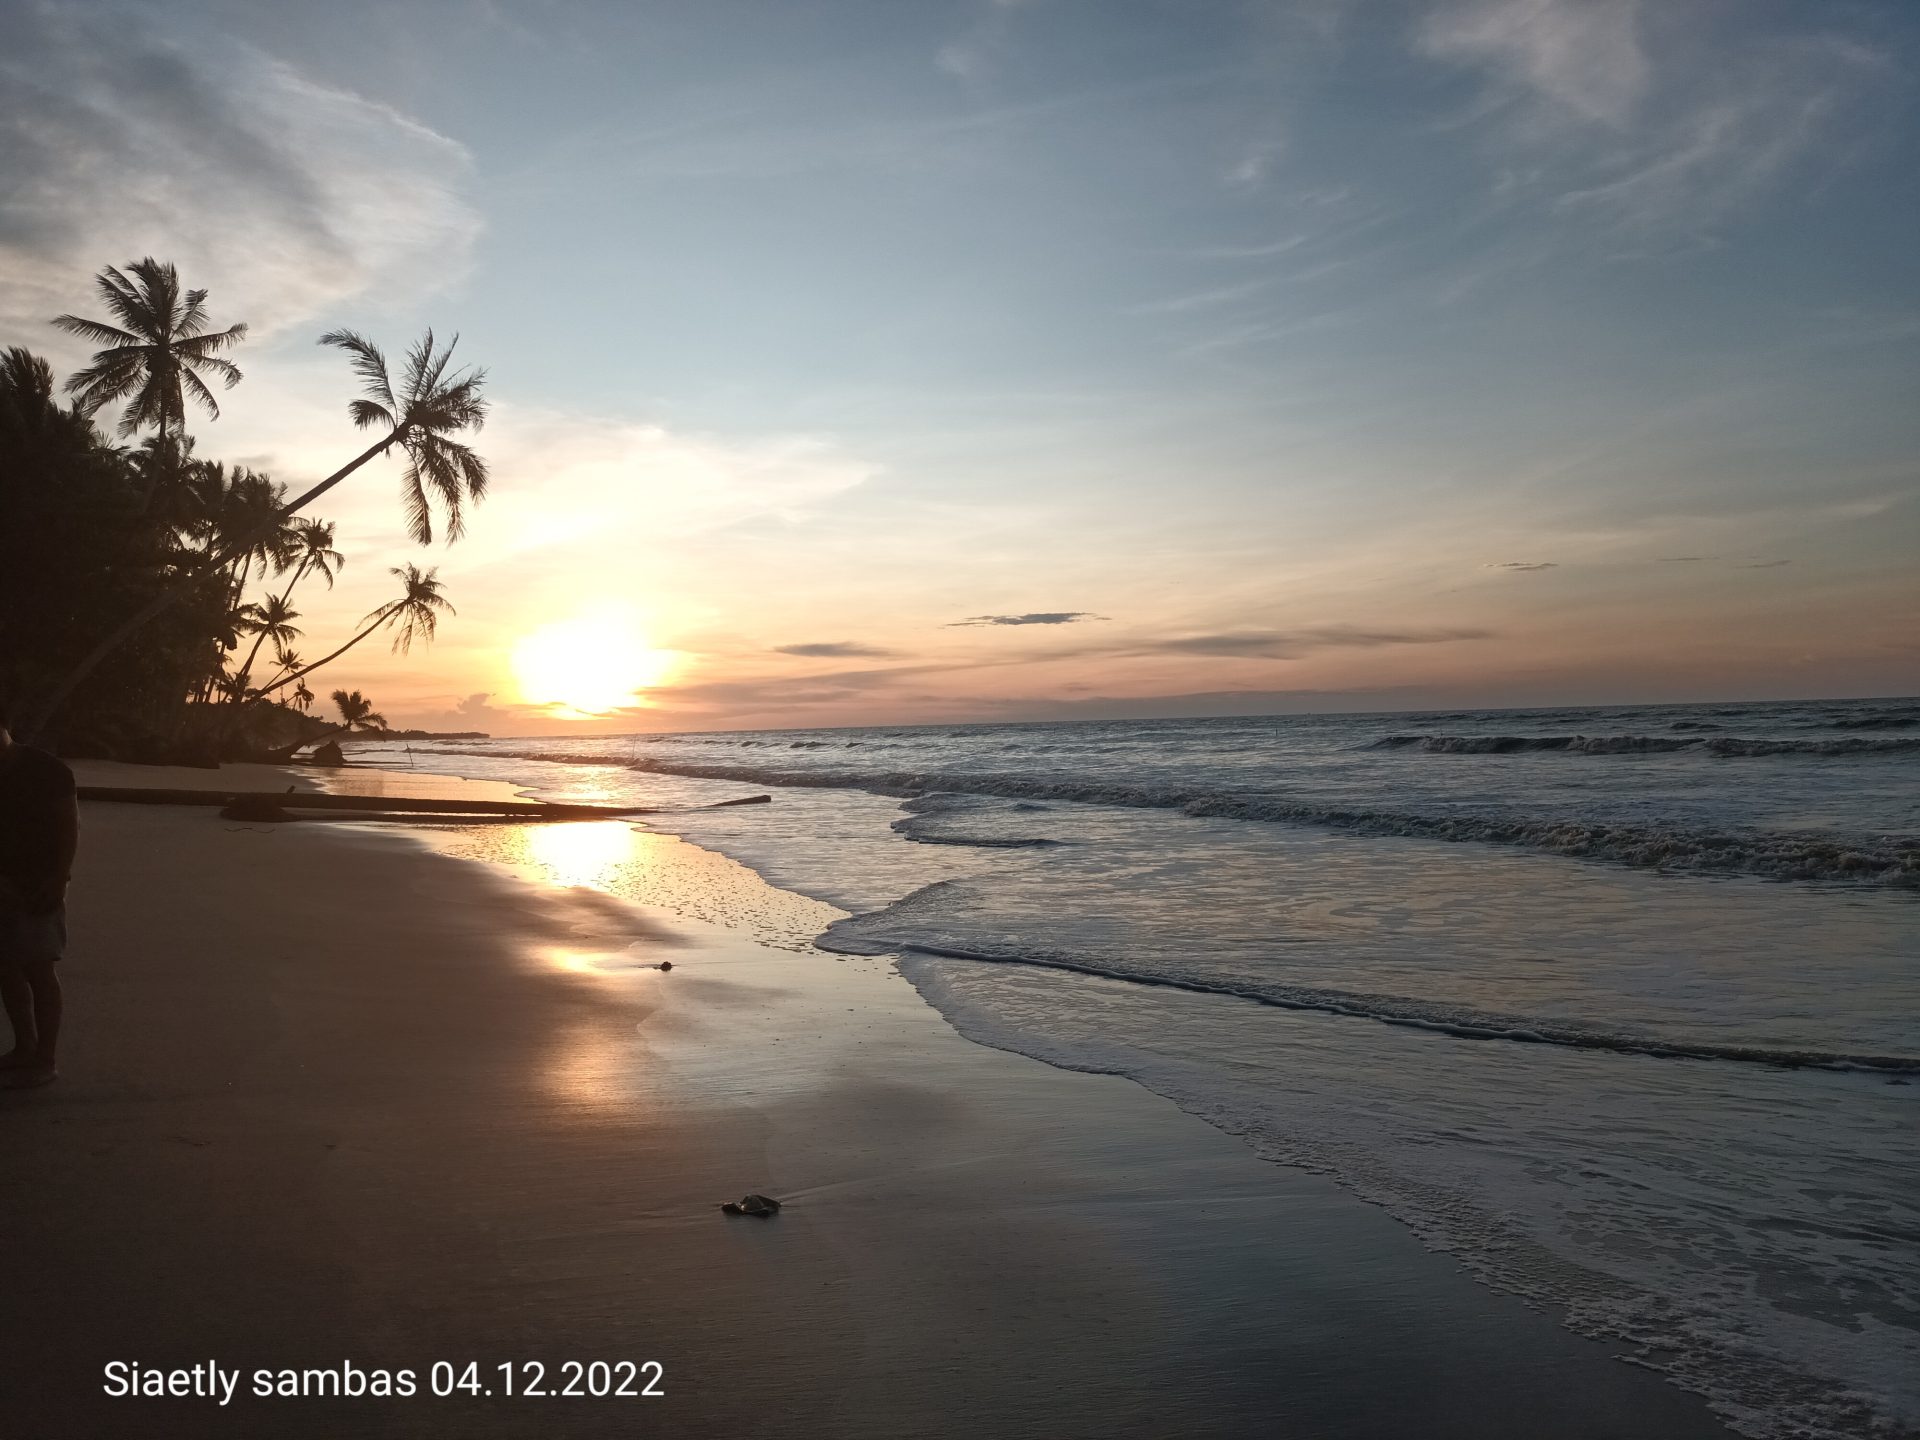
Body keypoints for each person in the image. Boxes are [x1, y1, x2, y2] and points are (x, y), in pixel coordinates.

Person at [0, 712, 77, 1089]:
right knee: (5, 967)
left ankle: (45, 1058)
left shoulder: (49, 771)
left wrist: (59, 878)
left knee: (39, 969)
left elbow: (68, 826)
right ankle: (23, 1047)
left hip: (37, 884)